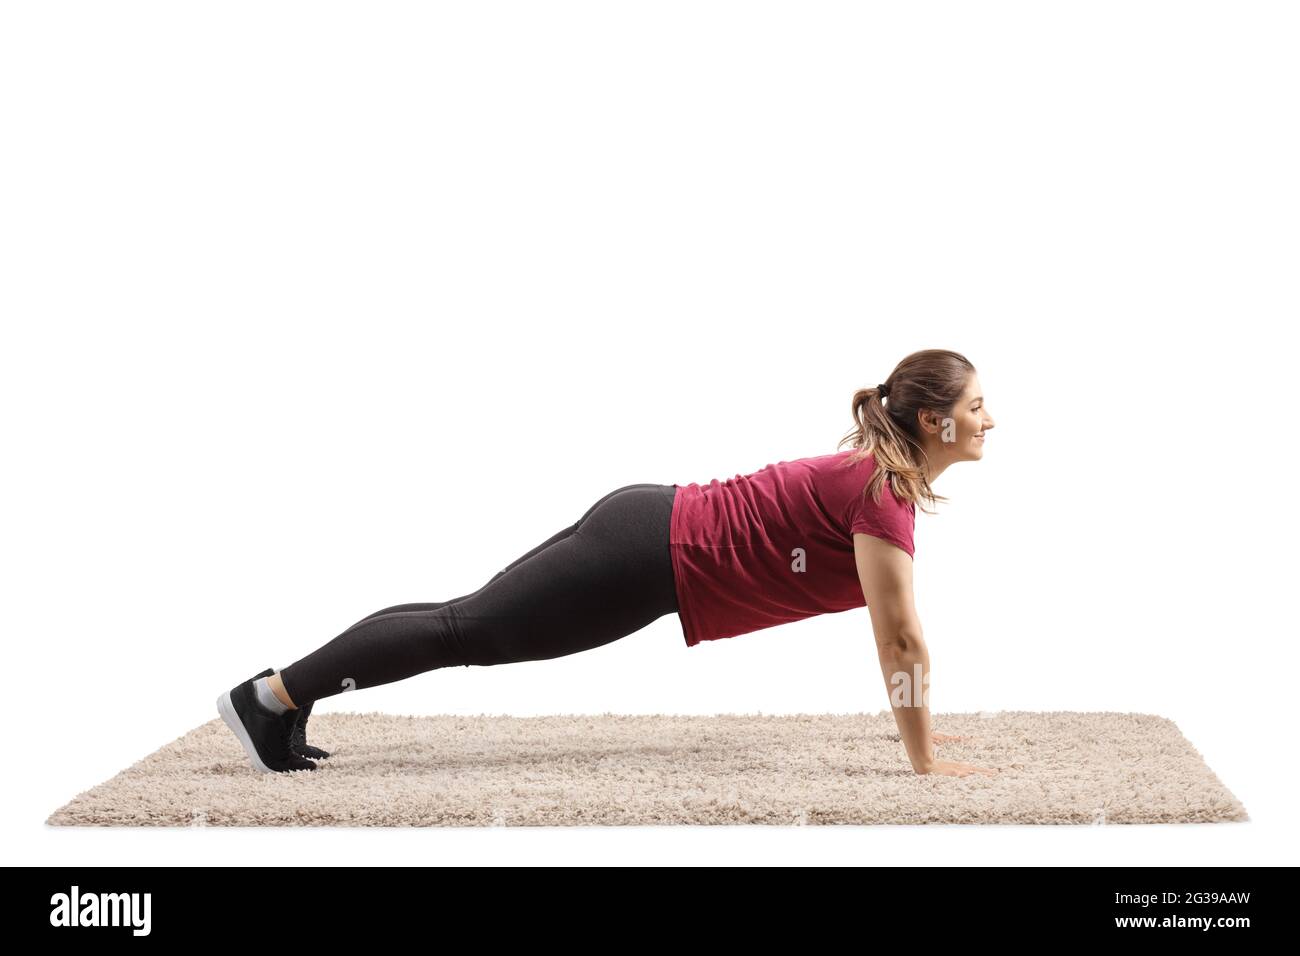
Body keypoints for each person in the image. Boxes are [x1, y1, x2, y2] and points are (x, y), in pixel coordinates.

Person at [217, 348, 998, 778]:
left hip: (645, 530)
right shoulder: (882, 495)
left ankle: (285, 699)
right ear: (935, 421)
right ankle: (270, 698)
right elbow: (900, 639)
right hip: (650, 557)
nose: (989, 420)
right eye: (975, 407)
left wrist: (923, 744)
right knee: (465, 631)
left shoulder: (877, 480)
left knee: (463, 618)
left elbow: (897, 637)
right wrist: (924, 761)